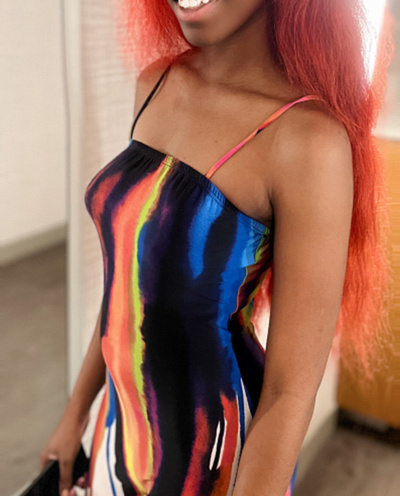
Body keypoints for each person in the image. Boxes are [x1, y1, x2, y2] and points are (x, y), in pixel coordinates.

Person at [41, 0, 392, 495]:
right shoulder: (157, 83)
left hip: (211, 456)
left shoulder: (309, 140)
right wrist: (76, 414)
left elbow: (290, 391)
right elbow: (127, 286)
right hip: (120, 430)